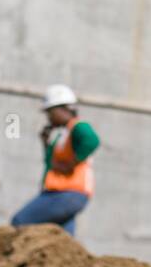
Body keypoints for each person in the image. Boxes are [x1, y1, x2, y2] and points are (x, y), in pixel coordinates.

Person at [10, 85, 100, 236]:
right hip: (67, 194)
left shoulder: (77, 127)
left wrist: (72, 164)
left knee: (20, 221)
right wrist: (45, 142)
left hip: (66, 193)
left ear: (62, 109)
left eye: (50, 112)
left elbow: (91, 141)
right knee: (63, 240)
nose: (49, 118)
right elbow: (51, 164)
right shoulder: (62, 135)